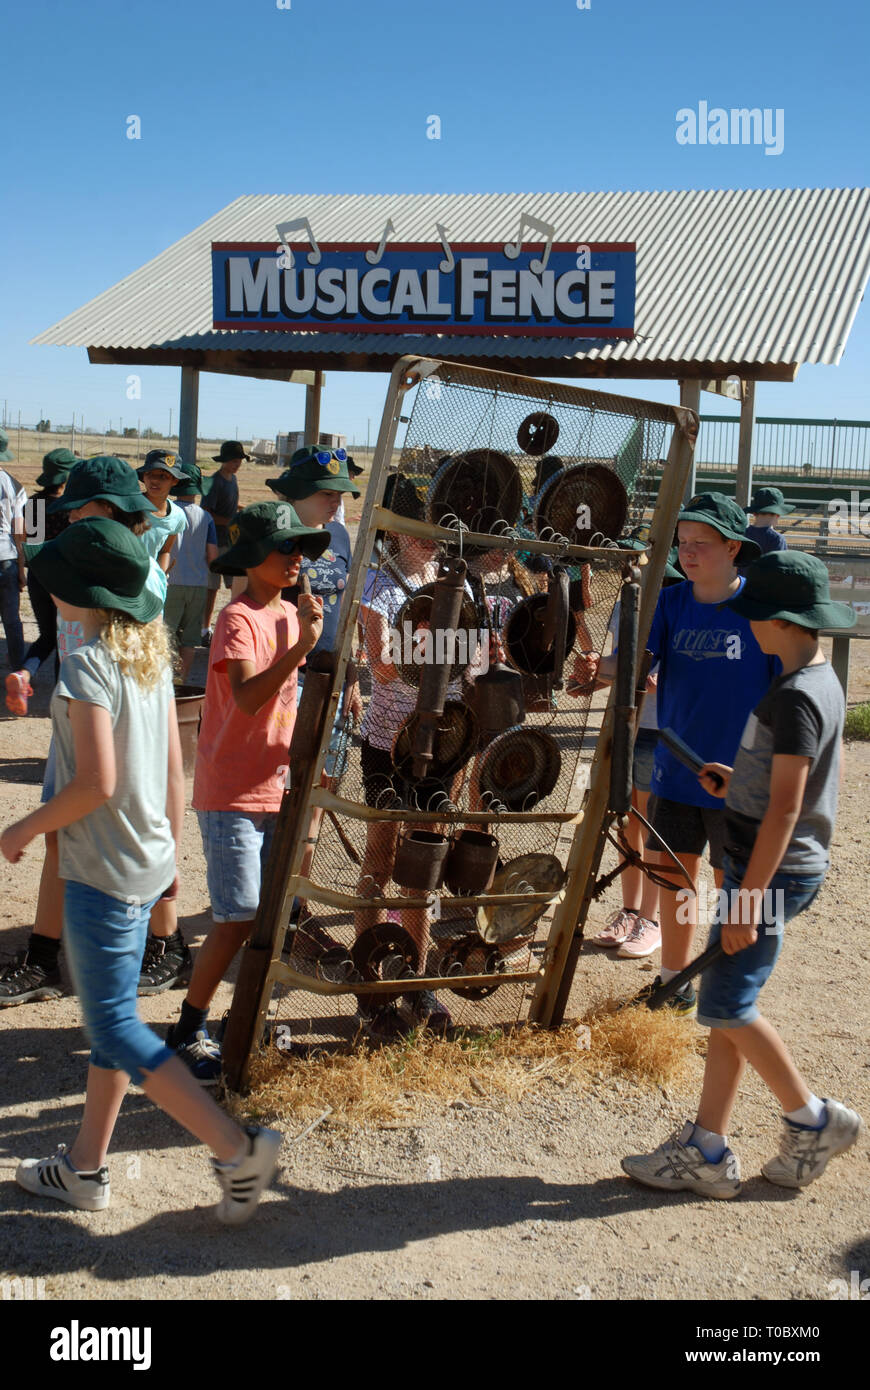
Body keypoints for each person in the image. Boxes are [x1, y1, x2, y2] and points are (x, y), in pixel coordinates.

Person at [1, 518, 281, 1222]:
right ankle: (86, 1170)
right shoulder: (146, 656)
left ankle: (236, 1149)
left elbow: (95, 782)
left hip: (102, 874)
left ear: (79, 594)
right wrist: (166, 855)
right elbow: (165, 771)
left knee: (118, 1030)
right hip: (142, 860)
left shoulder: (89, 667)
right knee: (112, 1024)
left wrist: (26, 827)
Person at [622, 551, 863, 1197]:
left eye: (753, 614)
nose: (745, 625)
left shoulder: (793, 698)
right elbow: (785, 789)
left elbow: (788, 807)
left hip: (772, 876)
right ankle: (708, 1146)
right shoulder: (817, 680)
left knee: (728, 1005)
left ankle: (812, 1120)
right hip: (768, 867)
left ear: (779, 620)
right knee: (731, 1001)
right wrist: (737, 784)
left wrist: (749, 901)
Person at [0, 457, 181, 1006]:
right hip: (78, 709)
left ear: (118, 510)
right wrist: (28, 670)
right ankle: (45, 955)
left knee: (132, 829)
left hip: (112, 712)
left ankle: (164, 943)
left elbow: (142, 663)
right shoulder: (75, 563)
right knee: (64, 832)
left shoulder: (133, 572)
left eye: (82, 507)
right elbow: (55, 635)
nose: (72, 514)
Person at [599, 494, 777, 1017]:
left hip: (737, 780)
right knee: (676, 879)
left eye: (701, 543)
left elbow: (783, 698)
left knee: (734, 890)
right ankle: (674, 983)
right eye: (683, 542)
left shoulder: (760, 612)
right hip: (676, 773)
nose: (689, 552)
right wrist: (600, 669)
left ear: (733, 547)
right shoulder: (673, 604)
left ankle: (731, 994)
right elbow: (635, 663)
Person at [167, 501, 327, 1082]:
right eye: (286, 548)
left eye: (302, 549)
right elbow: (249, 699)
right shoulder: (238, 619)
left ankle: (247, 1017)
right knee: (237, 916)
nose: (297, 558)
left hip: (273, 785)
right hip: (232, 789)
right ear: (254, 556)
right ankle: (187, 1026)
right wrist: (303, 646)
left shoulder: (291, 613)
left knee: (266, 917)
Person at [266, 446, 363, 908]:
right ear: (299, 493)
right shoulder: (275, 534)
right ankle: (271, 898)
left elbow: (348, 614)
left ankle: (296, 899)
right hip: (291, 678)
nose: (336, 500)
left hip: (334, 678)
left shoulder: (341, 536)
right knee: (285, 788)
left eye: (340, 492)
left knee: (323, 787)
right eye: (327, 491)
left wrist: (355, 676)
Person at [591, 543, 684, 958]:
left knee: (652, 825)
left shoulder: (682, 608)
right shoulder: (625, 607)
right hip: (627, 729)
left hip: (662, 733)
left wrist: (670, 686)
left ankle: (652, 920)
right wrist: (597, 668)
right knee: (627, 820)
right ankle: (630, 910)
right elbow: (616, 665)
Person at [5, 448, 77, 714]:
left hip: (39, 578)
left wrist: (24, 571)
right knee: (65, 639)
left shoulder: (34, 504)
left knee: (47, 635)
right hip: (67, 581)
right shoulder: (74, 506)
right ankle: (62, 698)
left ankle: (24, 674)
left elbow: (31, 546)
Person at [164, 460, 218, 683]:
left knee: (166, 637)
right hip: (198, 585)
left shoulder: (167, 511)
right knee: (189, 640)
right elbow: (212, 556)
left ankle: (163, 682)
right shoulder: (206, 517)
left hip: (171, 582)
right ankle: (181, 681)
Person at [201, 440, 247, 642]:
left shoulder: (233, 479)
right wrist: (232, 520)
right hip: (215, 541)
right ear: (225, 460)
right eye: (234, 460)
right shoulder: (214, 483)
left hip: (230, 541)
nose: (237, 463)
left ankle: (233, 624)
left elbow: (232, 504)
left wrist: (244, 509)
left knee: (235, 585)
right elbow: (207, 514)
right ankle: (205, 629)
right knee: (212, 588)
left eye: (239, 460)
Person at [0, 428, 27, 677]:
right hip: (6, 558)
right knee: (11, 619)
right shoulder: (14, 485)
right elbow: (21, 532)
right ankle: (19, 670)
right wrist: (21, 568)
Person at [137, 450, 188, 573]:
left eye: (163, 476)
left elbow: (165, 551)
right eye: (150, 474)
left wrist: (161, 578)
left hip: (149, 584)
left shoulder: (177, 516)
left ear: (175, 481)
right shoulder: (129, 507)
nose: (155, 480)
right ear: (143, 477)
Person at [742, 486, 792, 567]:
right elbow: (779, 568)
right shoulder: (777, 539)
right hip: (765, 579)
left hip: (742, 579)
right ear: (778, 514)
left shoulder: (742, 535)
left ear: (754, 513)